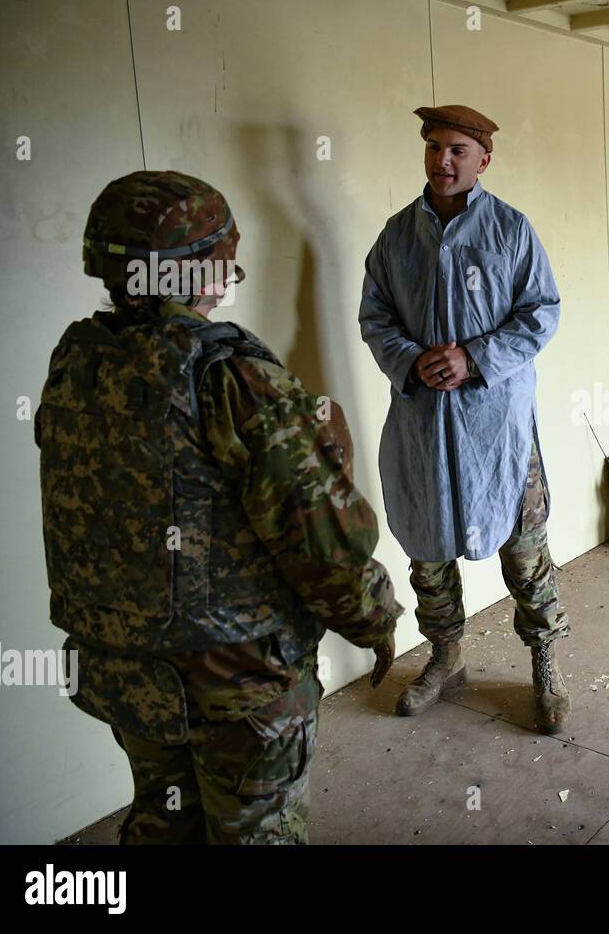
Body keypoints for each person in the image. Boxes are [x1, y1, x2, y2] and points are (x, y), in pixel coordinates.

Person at [36, 171, 402, 843]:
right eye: (224, 252)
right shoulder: (231, 377)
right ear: (202, 267)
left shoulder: (77, 364)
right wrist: (375, 619)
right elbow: (324, 542)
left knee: (162, 821)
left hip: (128, 675)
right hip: (238, 685)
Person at [358, 105, 569, 734]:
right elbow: (376, 317)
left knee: (524, 546)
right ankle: (446, 657)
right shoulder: (397, 236)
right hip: (423, 425)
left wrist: (473, 357)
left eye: (456, 150)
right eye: (432, 148)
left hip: (496, 426)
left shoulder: (510, 230)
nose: (441, 161)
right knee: (426, 545)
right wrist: (409, 359)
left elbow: (542, 313)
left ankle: (546, 663)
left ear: (483, 160)